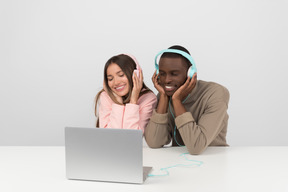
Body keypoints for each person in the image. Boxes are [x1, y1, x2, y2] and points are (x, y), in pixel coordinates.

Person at [144, 45, 230, 155]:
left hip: (213, 160)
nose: (167, 80)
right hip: (178, 162)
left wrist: (177, 101)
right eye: (162, 74)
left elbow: (196, 147)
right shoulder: (164, 95)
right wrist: (164, 97)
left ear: (190, 73)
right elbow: (154, 142)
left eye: (174, 74)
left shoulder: (215, 93)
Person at [95, 54, 157, 132]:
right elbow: (109, 136)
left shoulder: (148, 99)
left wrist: (133, 102)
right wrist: (118, 103)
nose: (116, 82)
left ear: (136, 75)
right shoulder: (106, 96)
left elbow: (132, 137)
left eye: (121, 75)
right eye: (110, 79)